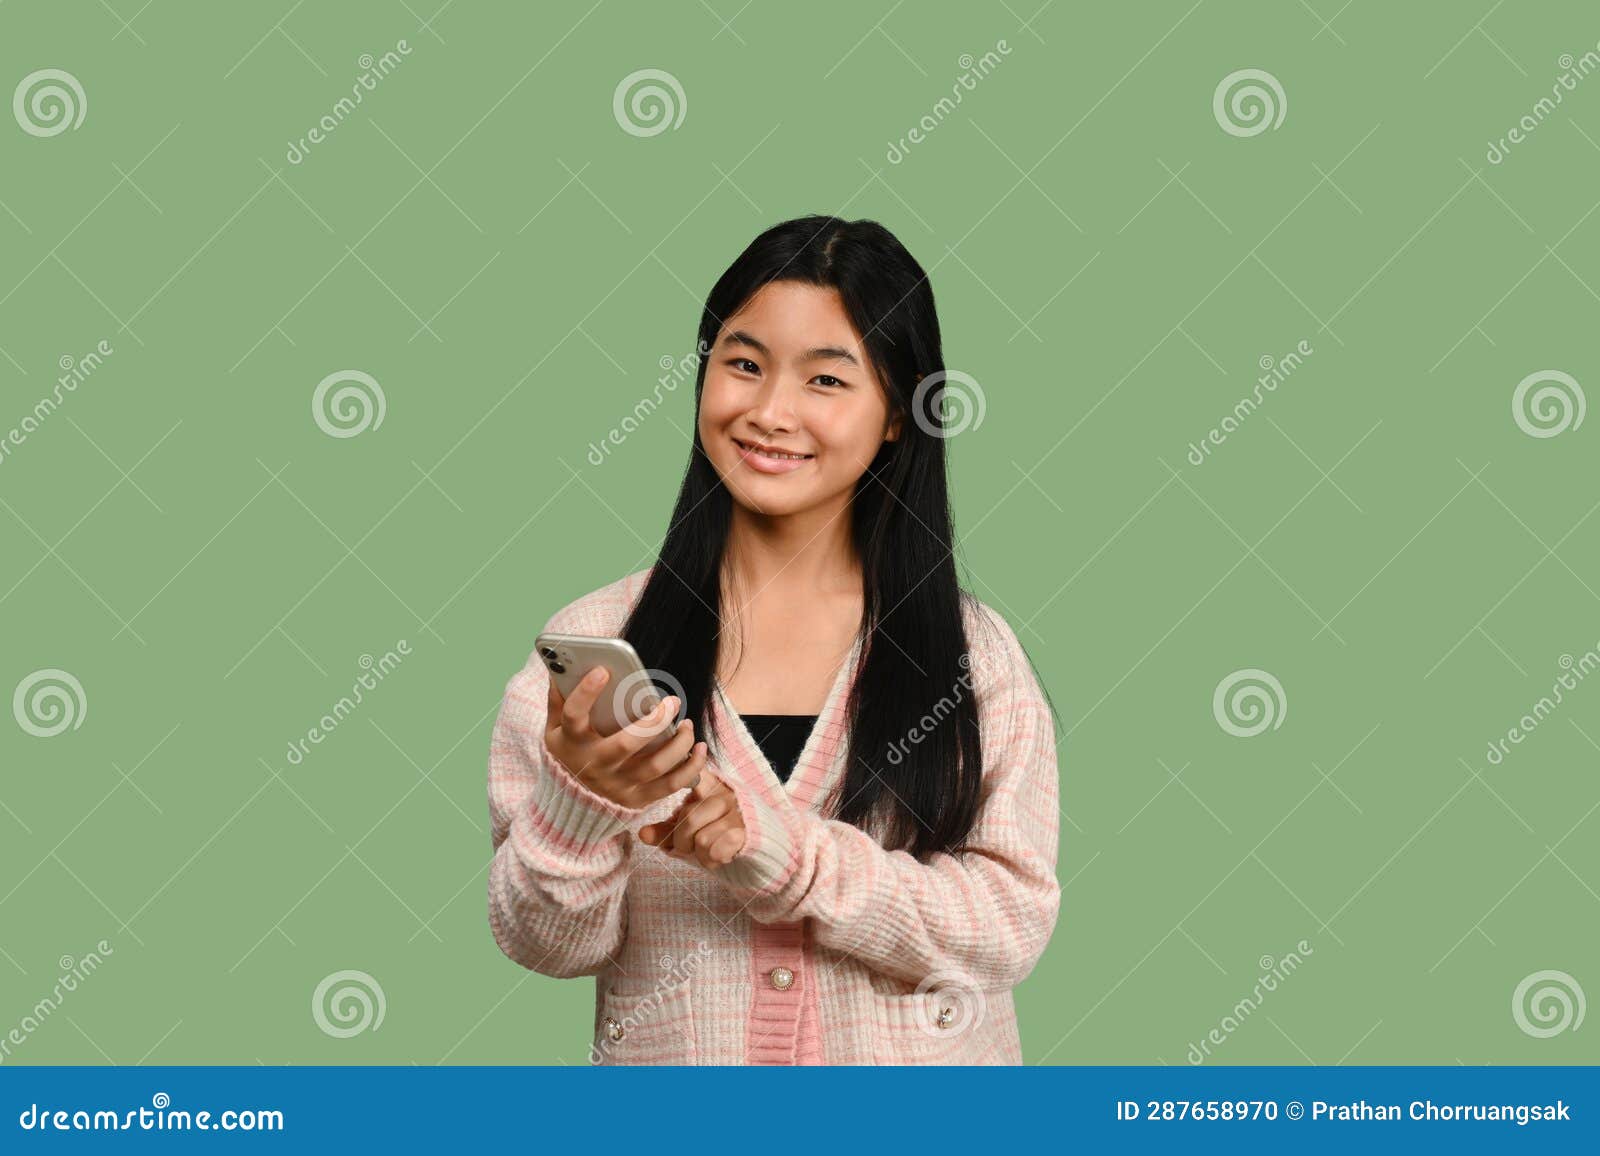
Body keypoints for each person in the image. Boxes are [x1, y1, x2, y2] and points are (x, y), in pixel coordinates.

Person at [486, 214, 1061, 1064]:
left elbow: (1008, 928)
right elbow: (549, 946)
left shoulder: (972, 654)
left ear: (898, 414)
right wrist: (578, 803)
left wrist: (776, 851)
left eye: (826, 381)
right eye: (743, 365)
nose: (768, 412)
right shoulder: (598, 641)